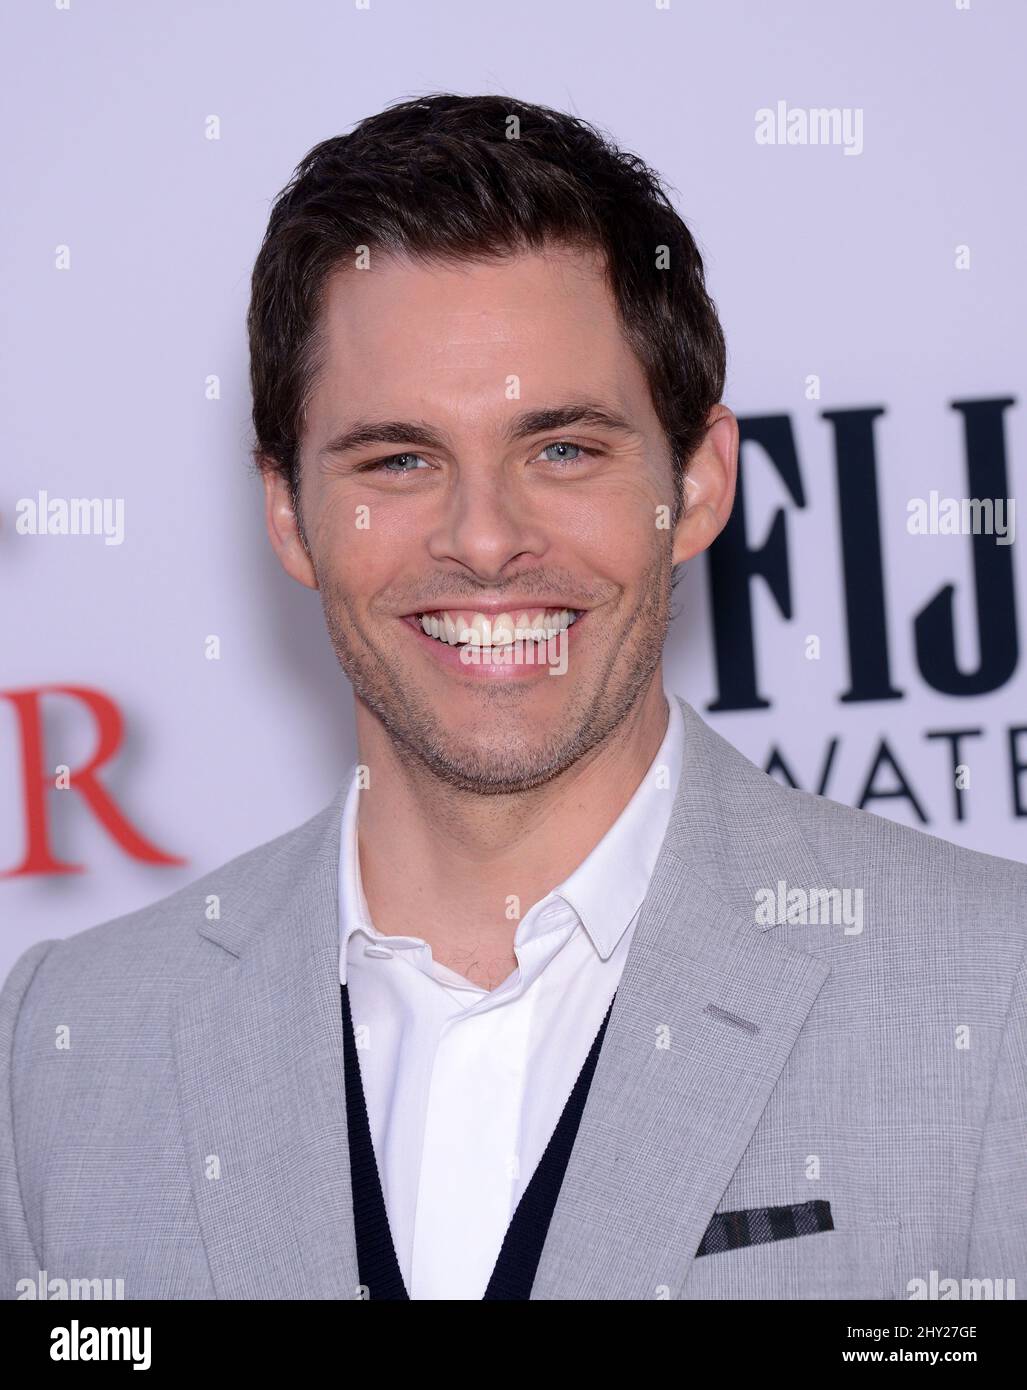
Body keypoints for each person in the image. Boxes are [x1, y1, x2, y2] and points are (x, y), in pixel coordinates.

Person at [2, 93, 1024, 1302]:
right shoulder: (63, 1047)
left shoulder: (993, 996)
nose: (484, 541)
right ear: (287, 511)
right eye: (399, 459)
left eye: (563, 450)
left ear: (698, 481)